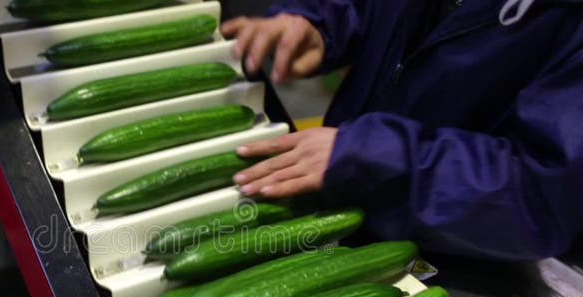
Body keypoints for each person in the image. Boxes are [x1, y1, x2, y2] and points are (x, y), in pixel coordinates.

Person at [225, 0, 583, 260]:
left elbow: (541, 196)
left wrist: (376, 157)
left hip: (462, 257)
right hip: (341, 204)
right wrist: (321, 20)